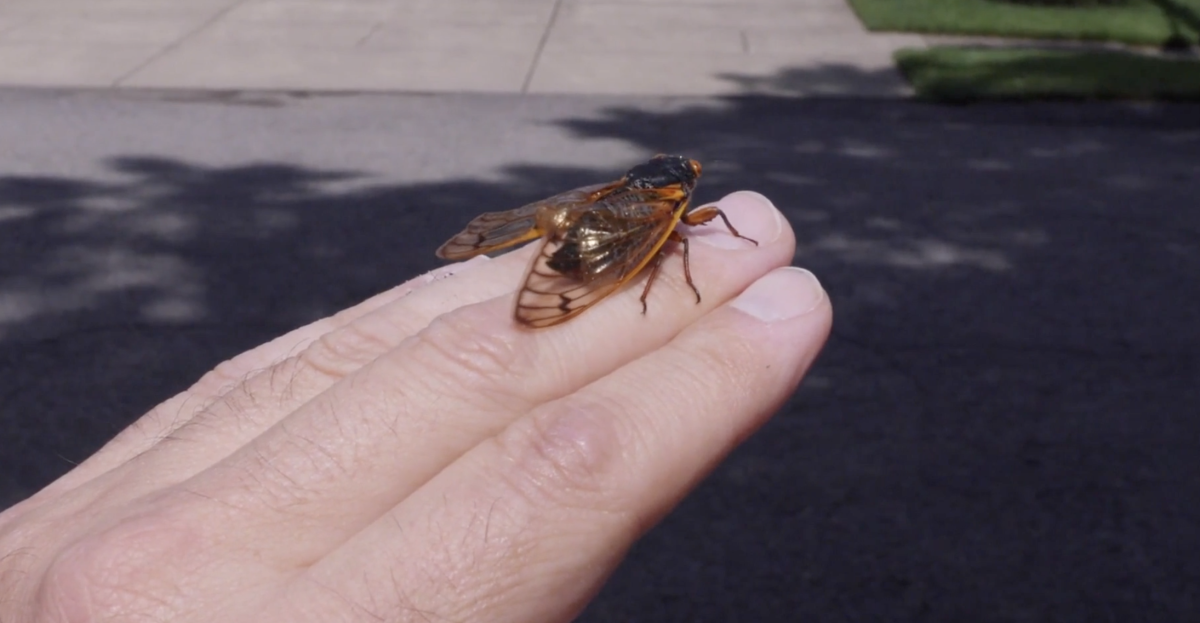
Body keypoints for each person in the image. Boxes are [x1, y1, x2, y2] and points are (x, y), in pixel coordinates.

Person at [0, 191, 831, 622]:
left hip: (596, 223)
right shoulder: (671, 216)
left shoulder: (659, 201)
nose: (684, 193)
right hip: (611, 240)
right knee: (656, 260)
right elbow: (669, 246)